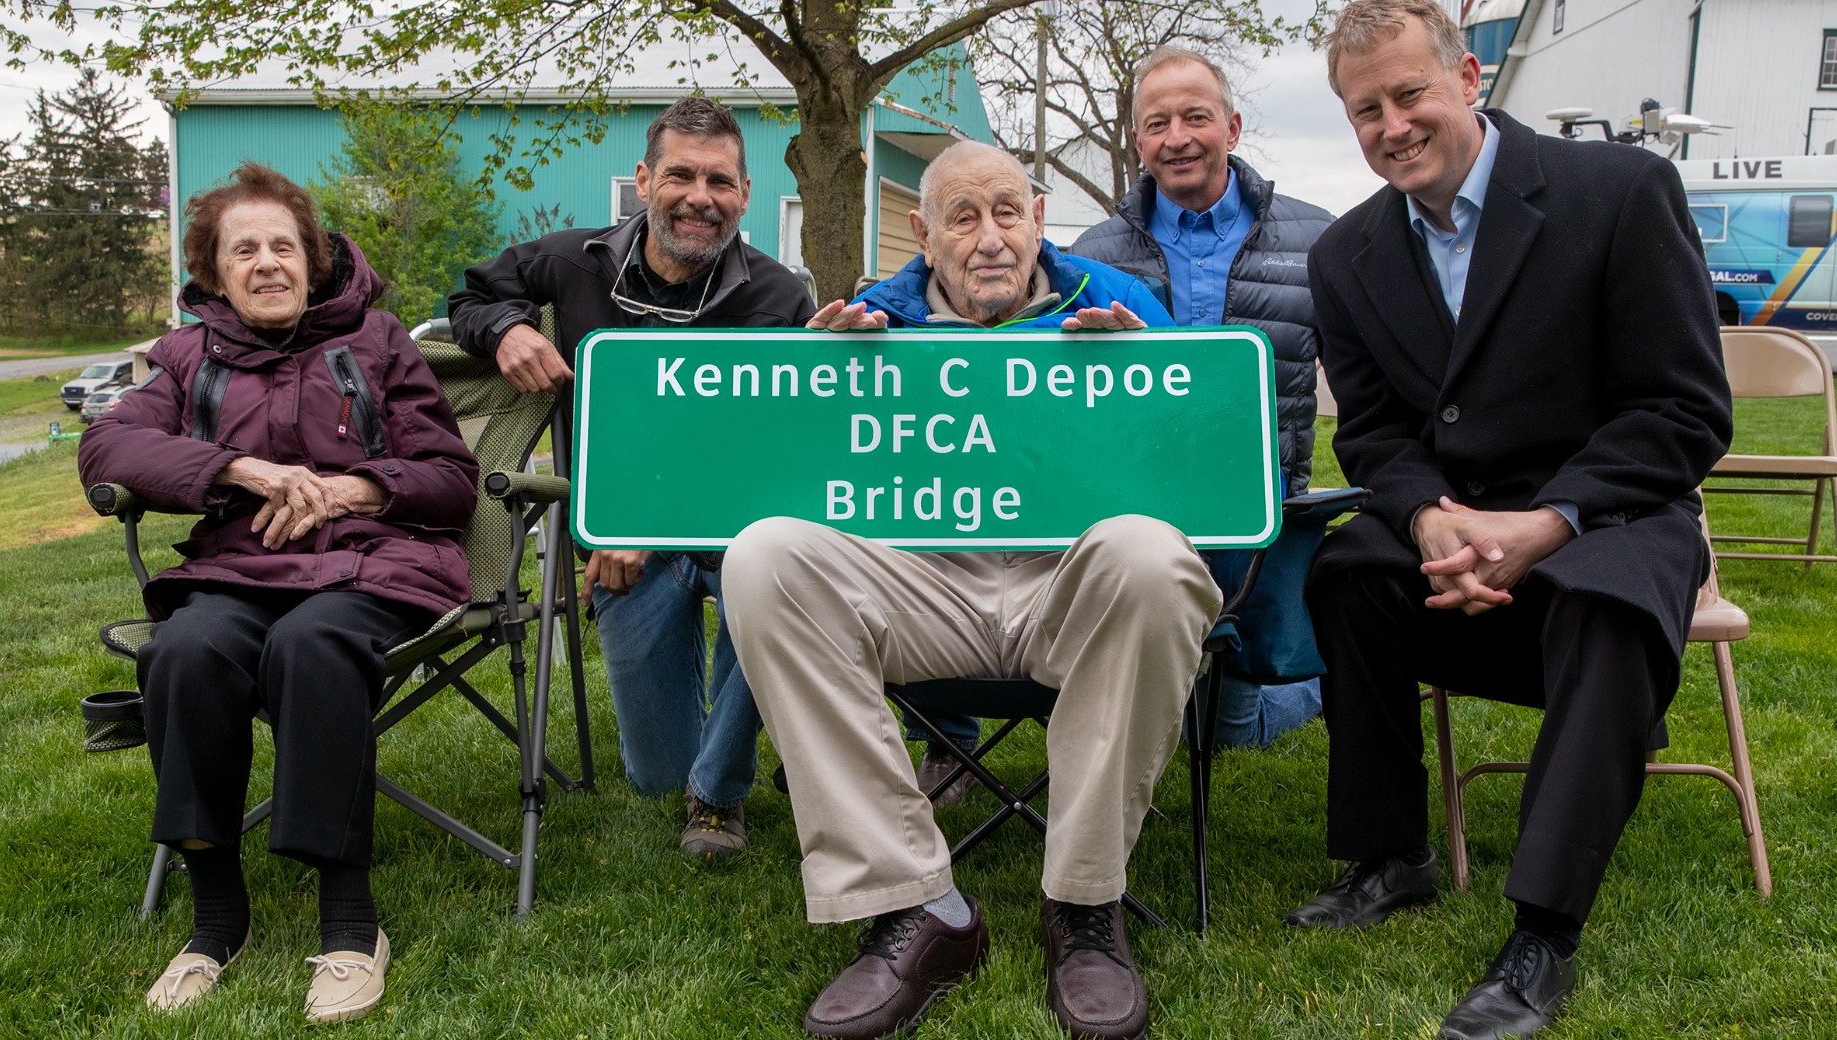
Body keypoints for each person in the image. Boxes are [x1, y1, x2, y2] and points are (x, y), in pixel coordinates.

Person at [1293, 0, 1733, 1040]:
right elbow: (1376, 437)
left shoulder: (1620, 191)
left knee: (1607, 599)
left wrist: (1554, 520)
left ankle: (1544, 934)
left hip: (1614, 514)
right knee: (1346, 572)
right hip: (1459, 531)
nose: (1391, 127)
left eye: (1409, 96)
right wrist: (1429, 518)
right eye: (1365, 111)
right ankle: (1390, 855)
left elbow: (1684, 408)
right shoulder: (1343, 256)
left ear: (1468, 81)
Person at [729, 141, 1220, 1040]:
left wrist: (1148, 394)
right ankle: (918, 908)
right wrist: (810, 402)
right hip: (924, 588)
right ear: (921, 233)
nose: (989, 238)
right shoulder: (866, 323)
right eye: (963, 216)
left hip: (1073, 588)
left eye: (1007, 212)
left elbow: (1204, 481)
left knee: (1151, 557)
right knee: (764, 555)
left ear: (1038, 218)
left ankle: (1083, 908)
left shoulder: (1124, 307)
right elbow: (788, 490)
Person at [79, 163, 480, 1022]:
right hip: (237, 568)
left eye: (284, 246)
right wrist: (234, 466)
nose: (267, 263)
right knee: (183, 652)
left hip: (374, 563)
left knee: (312, 644)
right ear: (215, 273)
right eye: (244, 249)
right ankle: (214, 920)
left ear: (316, 260)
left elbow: (451, 478)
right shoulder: (186, 359)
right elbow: (106, 449)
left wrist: (351, 489)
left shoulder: (377, 343)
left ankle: (348, 925)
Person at [448, 98, 814, 860]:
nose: (699, 197)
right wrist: (509, 329)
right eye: (680, 174)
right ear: (644, 179)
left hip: (734, 540)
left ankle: (719, 797)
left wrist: (650, 523)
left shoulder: (780, 297)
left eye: (719, 181)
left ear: (745, 194)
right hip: (618, 552)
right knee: (656, 775)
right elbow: (471, 296)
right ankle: (723, 756)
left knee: (784, 579)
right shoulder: (572, 260)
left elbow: (772, 452)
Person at [1070, 45, 1334, 750]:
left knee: (1223, 737)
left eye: (1196, 117)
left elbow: (1368, 383)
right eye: (1157, 123)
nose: (1177, 137)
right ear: (1138, 142)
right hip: (1131, 512)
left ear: (1233, 127)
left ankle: (1316, 683)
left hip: (1253, 524)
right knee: (1141, 713)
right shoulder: (1094, 252)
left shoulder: (1317, 240)